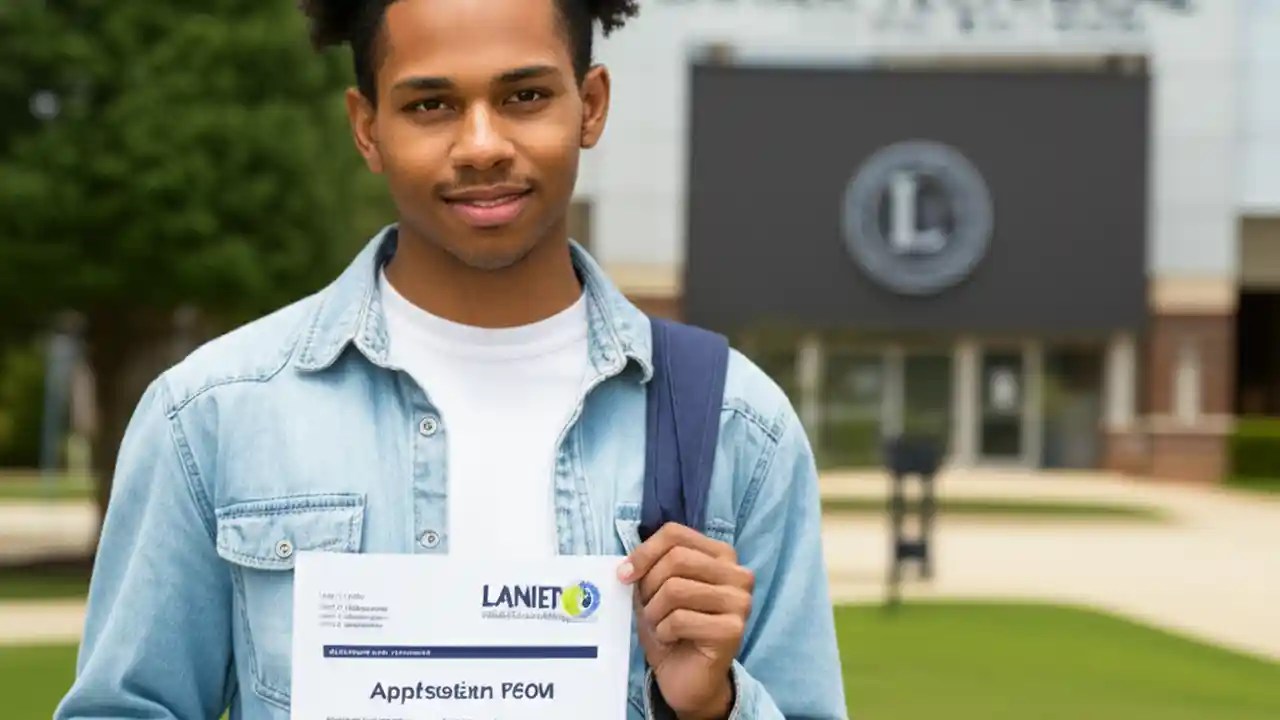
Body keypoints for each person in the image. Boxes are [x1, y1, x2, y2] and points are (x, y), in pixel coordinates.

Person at [55, 1, 847, 718]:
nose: (481, 146)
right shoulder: (213, 414)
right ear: (367, 128)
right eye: (430, 105)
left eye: (524, 96)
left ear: (591, 104)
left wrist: (715, 706)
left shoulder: (737, 425)